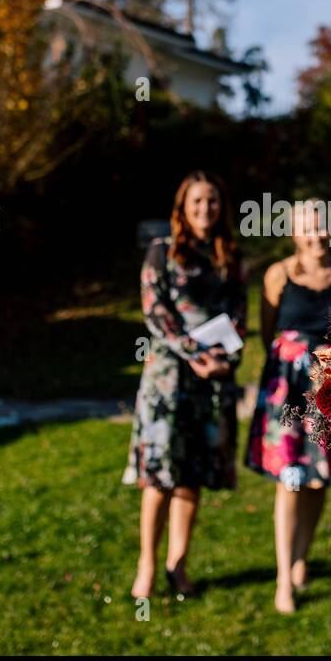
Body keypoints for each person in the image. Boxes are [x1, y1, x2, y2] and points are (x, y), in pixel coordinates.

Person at [124, 171, 247, 600]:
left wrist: (224, 361)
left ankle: (179, 564)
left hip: (211, 380)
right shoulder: (161, 252)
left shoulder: (228, 257)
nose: (205, 208)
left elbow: (238, 317)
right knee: (160, 474)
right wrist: (196, 354)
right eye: (197, 201)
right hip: (169, 378)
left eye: (212, 200)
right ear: (182, 207)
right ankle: (147, 563)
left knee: (191, 474)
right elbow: (155, 313)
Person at [244, 199, 331, 614]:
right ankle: (282, 579)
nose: (316, 235)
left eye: (322, 226)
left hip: (327, 389)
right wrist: (294, 364)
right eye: (307, 228)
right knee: (290, 480)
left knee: (318, 478)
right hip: (286, 390)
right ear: (294, 233)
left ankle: (300, 560)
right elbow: (267, 332)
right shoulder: (278, 275)